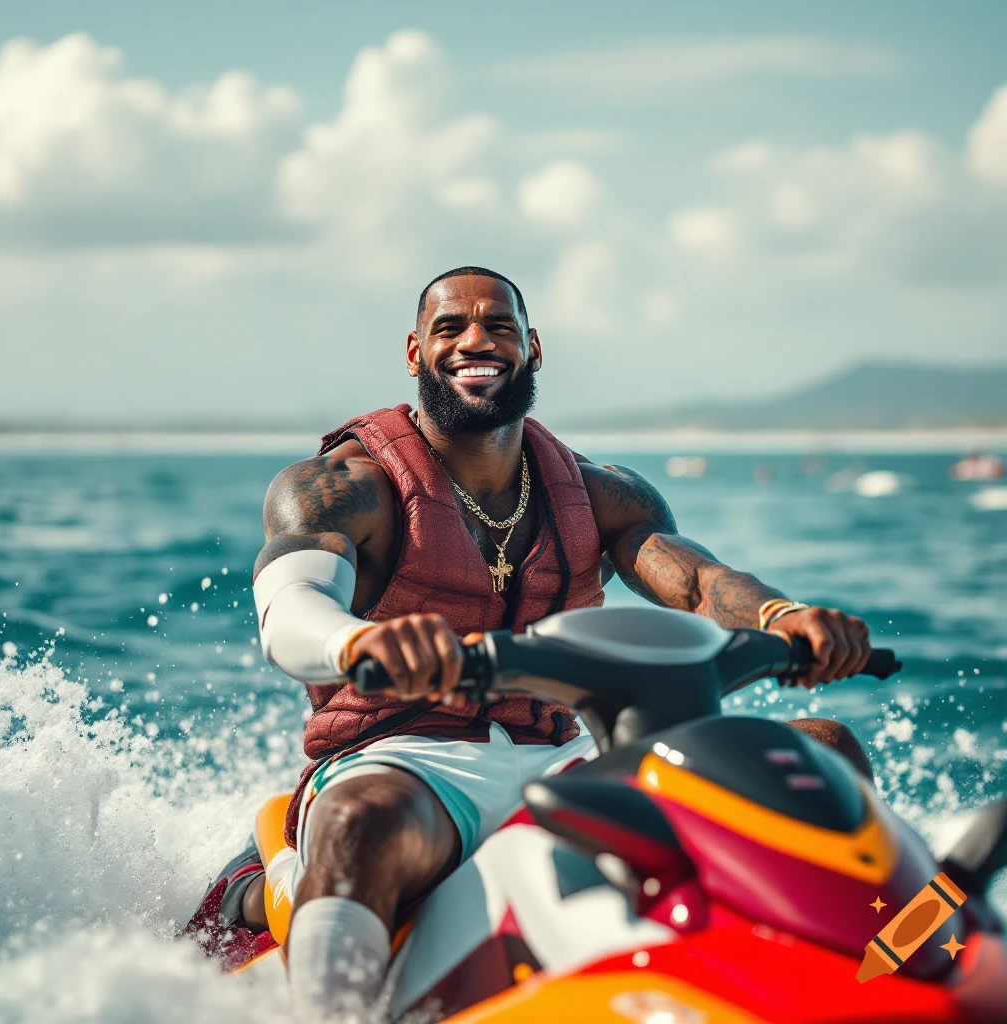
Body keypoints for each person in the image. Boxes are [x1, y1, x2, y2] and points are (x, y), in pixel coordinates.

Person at [248, 266, 873, 1016]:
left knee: (820, 751)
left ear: (532, 348)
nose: (476, 340)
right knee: (360, 824)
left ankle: (874, 983)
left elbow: (699, 583)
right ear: (415, 354)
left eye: (499, 327)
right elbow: (290, 608)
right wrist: (356, 645)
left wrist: (782, 616)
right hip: (406, 760)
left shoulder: (603, 492)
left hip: (567, 755)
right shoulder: (342, 485)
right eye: (450, 328)